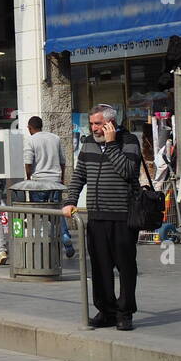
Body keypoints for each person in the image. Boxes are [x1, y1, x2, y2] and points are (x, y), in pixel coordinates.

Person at [63, 103, 143, 331]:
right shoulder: (88, 143)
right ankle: (106, 311)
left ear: (110, 123)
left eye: (98, 124)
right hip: (96, 217)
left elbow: (128, 171)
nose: (94, 128)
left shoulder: (128, 142)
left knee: (125, 266)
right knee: (99, 266)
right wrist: (70, 200)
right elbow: (80, 174)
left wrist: (111, 144)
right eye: (91, 124)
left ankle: (125, 313)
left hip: (122, 216)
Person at [25, 115, 73, 259]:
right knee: (58, 212)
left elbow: (28, 163)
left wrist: (28, 178)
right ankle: (65, 237)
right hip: (55, 181)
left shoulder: (31, 140)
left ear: (30, 128)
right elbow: (63, 161)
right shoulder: (55, 138)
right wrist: (61, 179)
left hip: (38, 182)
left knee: (39, 215)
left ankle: (42, 245)